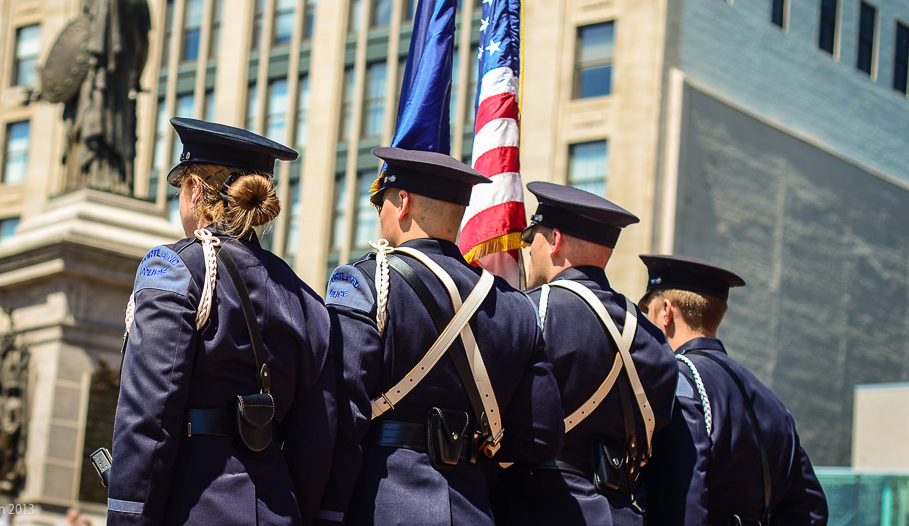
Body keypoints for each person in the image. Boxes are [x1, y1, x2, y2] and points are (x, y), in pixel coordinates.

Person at [107, 117, 336, 526]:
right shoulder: (307, 299)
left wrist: (128, 517)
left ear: (195, 190)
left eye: (181, 188)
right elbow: (316, 440)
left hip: (194, 506)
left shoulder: (176, 268)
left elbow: (148, 417)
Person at [316, 148, 564, 525]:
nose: (379, 215)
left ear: (402, 203)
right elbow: (540, 435)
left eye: (380, 203)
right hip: (473, 507)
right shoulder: (515, 306)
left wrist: (329, 510)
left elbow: (342, 413)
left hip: (380, 504)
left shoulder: (368, 281)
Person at [491, 182, 677, 525]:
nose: (529, 250)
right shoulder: (654, 339)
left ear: (556, 240)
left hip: (541, 506)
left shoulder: (533, 310)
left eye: (534, 238)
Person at [638, 254, 828, 526]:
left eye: (649, 311)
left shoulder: (676, 380)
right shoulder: (768, 399)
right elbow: (810, 510)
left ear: (666, 311)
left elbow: (679, 496)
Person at [60, 0, 151, 195]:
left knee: (92, 124)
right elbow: (144, 45)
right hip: (123, 82)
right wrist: (137, 78)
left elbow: (83, 36)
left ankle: (89, 177)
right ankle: (117, 181)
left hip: (95, 80)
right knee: (119, 130)